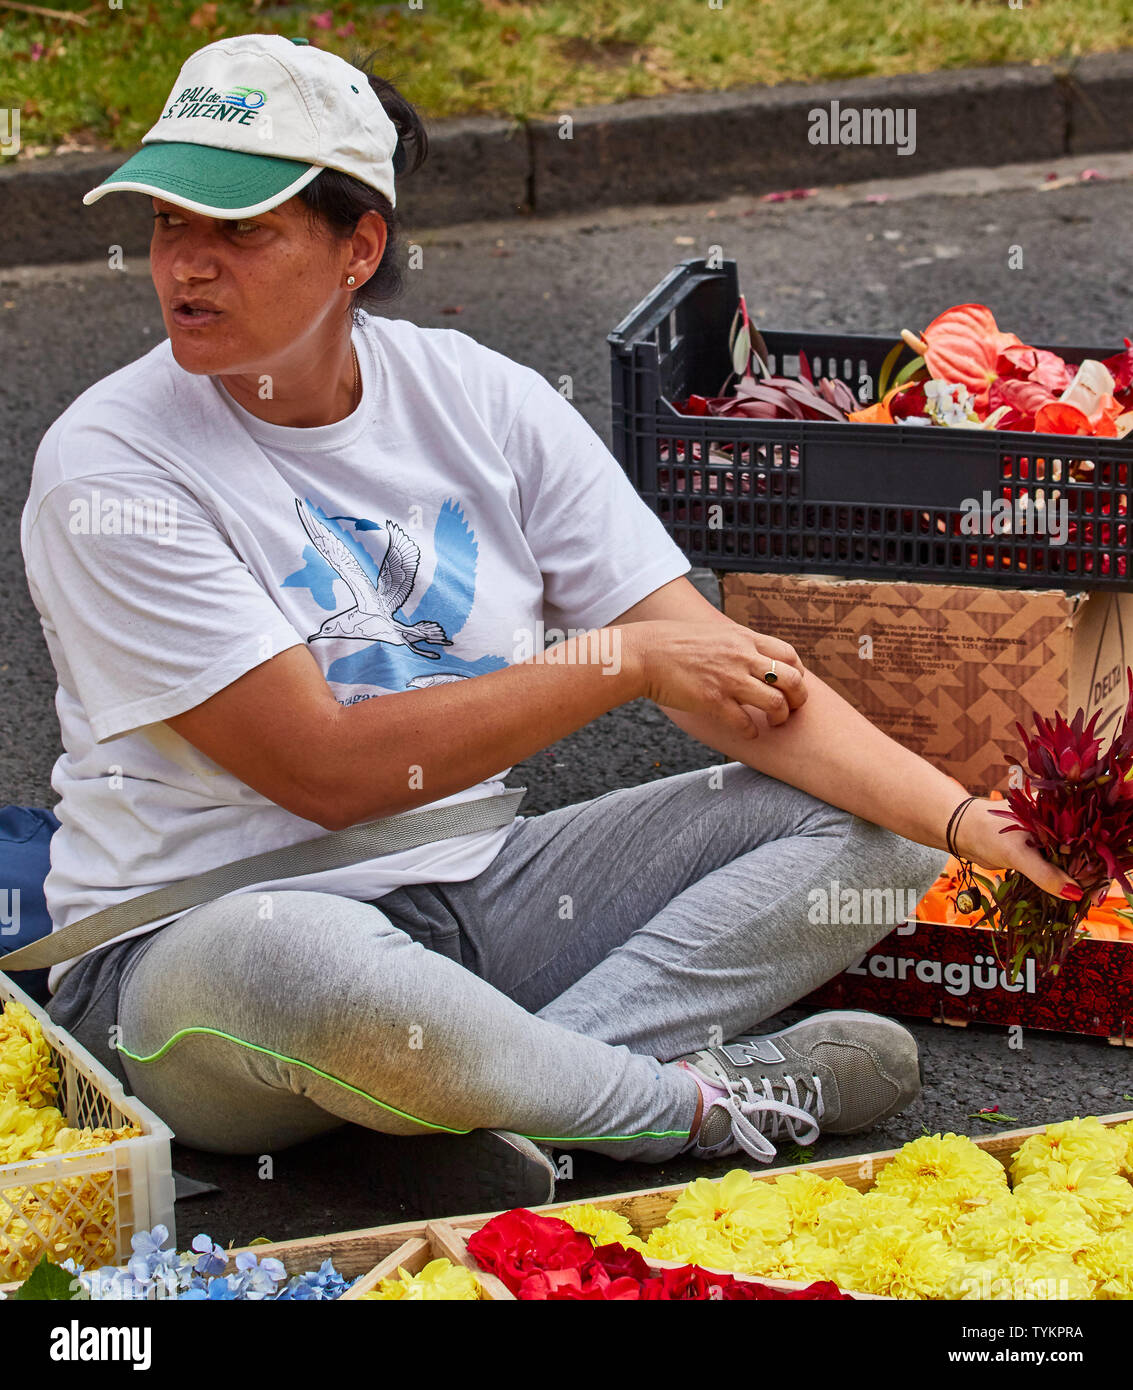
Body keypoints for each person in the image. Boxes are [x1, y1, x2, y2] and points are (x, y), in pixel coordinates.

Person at [20, 34, 1082, 1214]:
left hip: (471, 902)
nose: (186, 265)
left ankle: (502, 1098)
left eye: (242, 229)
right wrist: (615, 661)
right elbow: (324, 773)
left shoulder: (479, 397)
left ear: (357, 249)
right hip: (196, 956)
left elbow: (725, 676)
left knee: (876, 829)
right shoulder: (110, 464)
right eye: (171, 223)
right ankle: (672, 1107)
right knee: (307, 961)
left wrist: (964, 819)